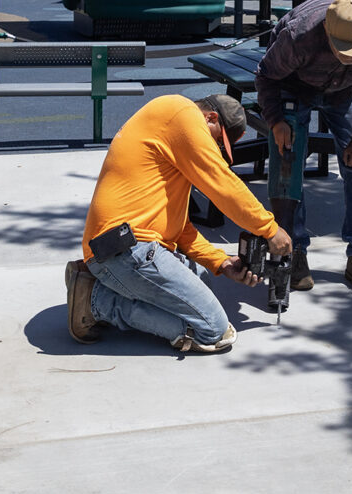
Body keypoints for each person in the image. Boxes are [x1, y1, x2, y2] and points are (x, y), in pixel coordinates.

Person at [66, 93, 293, 353]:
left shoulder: (170, 141)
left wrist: (221, 262)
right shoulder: (181, 112)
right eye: (218, 141)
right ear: (210, 118)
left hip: (129, 248)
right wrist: (269, 229)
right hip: (124, 250)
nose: (215, 151)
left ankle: (97, 284)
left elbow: (180, 229)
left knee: (204, 280)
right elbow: (223, 185)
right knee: (214, 330)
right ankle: (98, 303)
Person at [255, 0, 352, 296]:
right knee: (287, 163)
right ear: (327, 34)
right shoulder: (298, 36)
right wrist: (276, 119)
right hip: (293, 85)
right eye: (345, 49)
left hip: (346, 91)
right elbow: (266, 76)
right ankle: (294, 251)